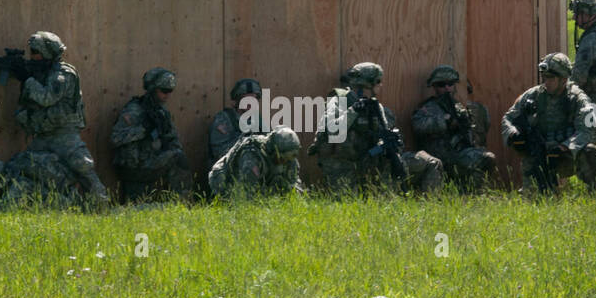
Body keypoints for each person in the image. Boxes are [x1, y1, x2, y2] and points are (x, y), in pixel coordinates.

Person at [310, 61, 444, 194]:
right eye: (378, 81)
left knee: (429, 164)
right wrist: (353, 111)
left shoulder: (376, 107)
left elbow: (382, 134)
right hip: (342, 165)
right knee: (349, 205)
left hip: (370, 162)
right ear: (367, 83)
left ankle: (428, 204)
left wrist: (391, 142)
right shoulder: (339, 101)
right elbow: (332, 131)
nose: (381, 85)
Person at [12, 31, 110, 206]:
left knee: (83, 168)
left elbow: (47, 97)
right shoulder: (41, 72)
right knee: (24, 166)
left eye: (36, 52)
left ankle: (102, 208)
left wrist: (27, 79)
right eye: (32, 52)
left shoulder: (64, 74)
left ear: (48, 53)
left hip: (65, 136)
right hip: (42, 135)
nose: (33, 56)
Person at [501, 52, 596, 195]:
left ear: (563, 79)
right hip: (538, 153)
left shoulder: (580, 99)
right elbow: (508, 117)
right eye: (544, 77)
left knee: (590, 151)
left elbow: (589, 131)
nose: (546, 82)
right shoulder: (533, 95)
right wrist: (512, 133)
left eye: (551, 78)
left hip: (566, 156)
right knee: (535, 199)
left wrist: (565, 147)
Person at [110, 67, 193, 202]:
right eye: (164, 91)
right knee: (137, 207)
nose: (167, 95)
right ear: (153, 89)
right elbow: (115, 138)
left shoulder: (161, 113)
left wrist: (168, 143)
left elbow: (173, 139)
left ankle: (182, 204)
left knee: (178, 157)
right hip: (133, 167)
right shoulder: (134, 110)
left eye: (170, 91)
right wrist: (143, 130)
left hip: (150, 162)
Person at [411, 65, 496, 191]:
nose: (447, 88)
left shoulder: (459, 107)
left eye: (450, 84)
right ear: (434, 87)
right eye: (442, 84)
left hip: (459, 154)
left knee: (487, 158)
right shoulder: (428, 107)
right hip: (438, 157)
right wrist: (444, 121)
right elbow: (417, 125)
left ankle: (474, 194)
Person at [208, 127, 304, 198]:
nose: (285, 162)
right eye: (283, 159)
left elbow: (294, 185)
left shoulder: (289, 157)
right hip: (225, 179)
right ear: (274, 150)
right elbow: (246, 193)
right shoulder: (252, 157)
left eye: (290, 158)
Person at [209, 78, 264, 166]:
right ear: (237, 100)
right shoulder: (224, 119)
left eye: (254, 98)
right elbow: (220, 153)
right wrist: (247, 141)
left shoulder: (258, 120)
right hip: (227, 169)